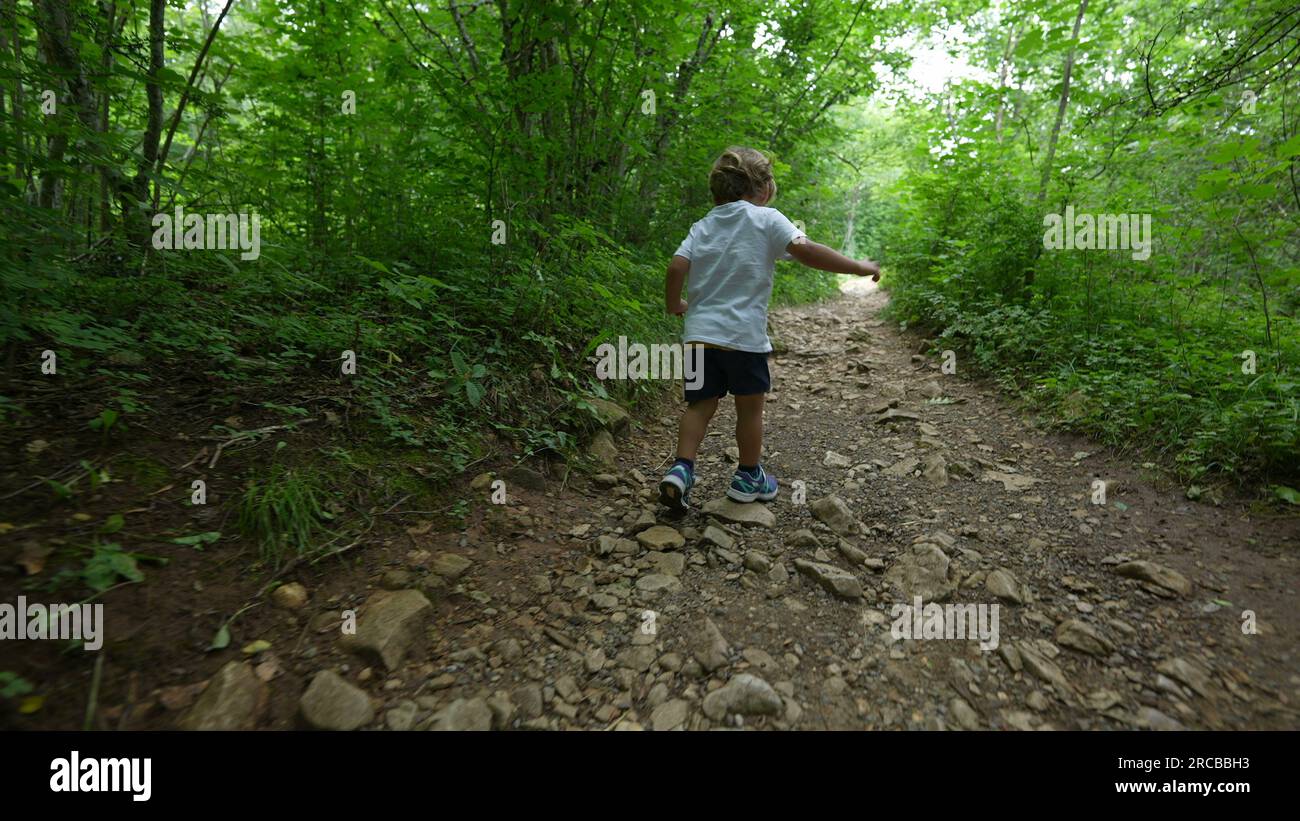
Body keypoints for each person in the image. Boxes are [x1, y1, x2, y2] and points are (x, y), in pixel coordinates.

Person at [658, 146, 880, 511]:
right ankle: (748, 475)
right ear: (762, 189)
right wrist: (857, 266)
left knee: (699, 405)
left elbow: (675, 268)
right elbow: (808, 251)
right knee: (749, 410)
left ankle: (681, 470)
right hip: (743, 339)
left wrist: (675, 305)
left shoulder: (702, 226)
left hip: (699, 338)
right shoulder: (767, 219)